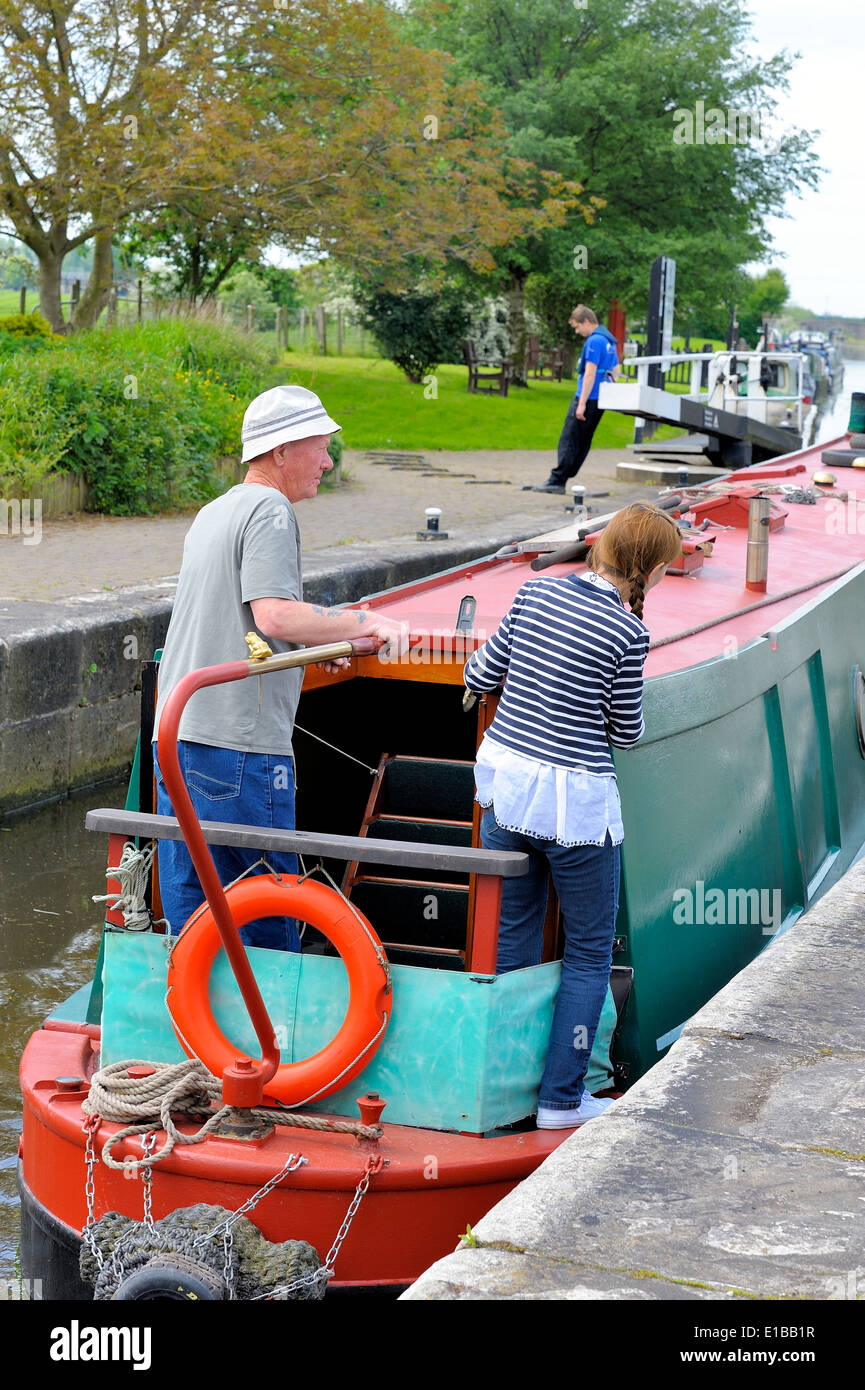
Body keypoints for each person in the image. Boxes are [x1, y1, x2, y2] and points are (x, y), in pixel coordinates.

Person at [152, 383, 406, 949]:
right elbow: (275, 615)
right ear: (282, 451)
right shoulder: (270, 509)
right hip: (239, 745)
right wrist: (363, 624)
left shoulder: (212, 512)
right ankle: (276, 1034)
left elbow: (235, 619)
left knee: (195, 907)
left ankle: (196, 1028)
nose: (328, 460)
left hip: (178, 736)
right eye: (320, 445)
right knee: (267, 906)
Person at [463, 503, 682, 1128]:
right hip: (575, 810)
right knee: (587, 952)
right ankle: (561, 1100)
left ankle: (500, 1090)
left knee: (511, 937)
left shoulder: (535, 594)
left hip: (504, 792)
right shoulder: (629, 633)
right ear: (655, 569)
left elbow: (481, 672)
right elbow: (627, 730)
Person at [534, 305, 620, 494]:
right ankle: (564, 476)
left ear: (586, 321)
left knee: (569, 439)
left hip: (587, 396)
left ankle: (556, 480)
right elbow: (616, 371)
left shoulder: (594, 341)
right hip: (600, 399)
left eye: (577, 326)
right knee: (583, 441)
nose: (577, 331)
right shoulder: (609, 340)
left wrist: (581, 404)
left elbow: (589, 374)